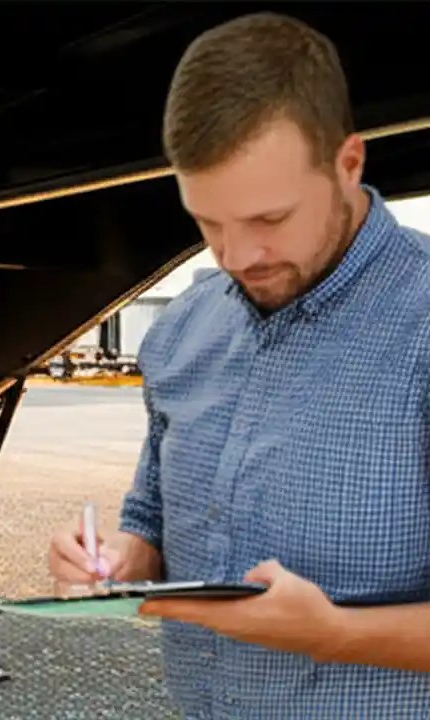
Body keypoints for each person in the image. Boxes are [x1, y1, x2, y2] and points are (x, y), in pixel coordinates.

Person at [47, 11, 430, 717]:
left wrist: (335, 635)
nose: (236, 257)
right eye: (209, 223)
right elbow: (151, 522)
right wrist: (120, 559)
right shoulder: (183, 331)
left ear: (349, 163)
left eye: (270, 220)